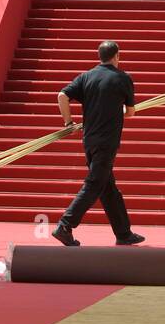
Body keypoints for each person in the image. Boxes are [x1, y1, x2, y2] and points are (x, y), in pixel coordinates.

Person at [53, 41, 144, 247]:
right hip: (107, 141)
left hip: (89, 140)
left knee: (108, 187)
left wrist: (68, 122)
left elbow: (62, 96)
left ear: (99, 56)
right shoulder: (123, 78)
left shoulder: (86, 76)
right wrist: (116, 111)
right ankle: (65, 226)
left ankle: (124, 233)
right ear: (117, 56)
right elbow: (130, 112)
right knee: (95, 184)